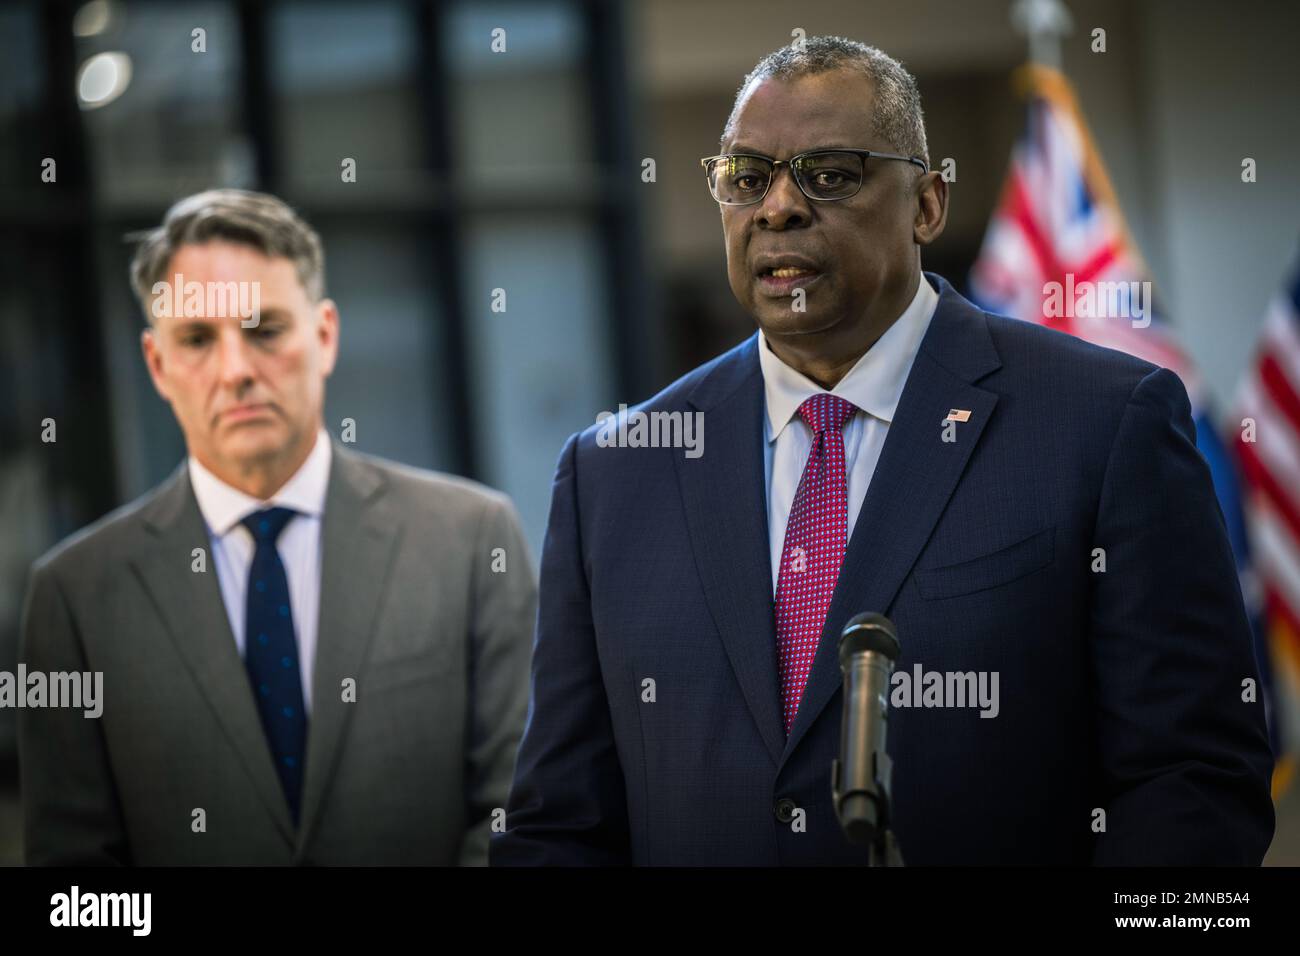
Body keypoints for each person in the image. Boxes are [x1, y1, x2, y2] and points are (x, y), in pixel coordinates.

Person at [492, 37, 1274, 865]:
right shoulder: (613, 473)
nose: (779, 207)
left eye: (830, 173)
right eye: (747, 177)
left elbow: (1193, 782)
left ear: (927, 205)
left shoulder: (1105, 423)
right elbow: (559, 824)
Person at [20, 189, 535, 865]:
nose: (236, 371)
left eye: (263, 330)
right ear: (157, 365)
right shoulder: (78, 595)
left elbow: (518, 815)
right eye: (199, 339)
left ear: (324, 336)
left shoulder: (470, 540)